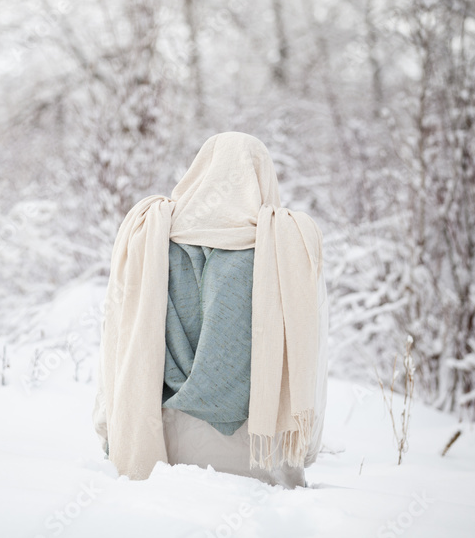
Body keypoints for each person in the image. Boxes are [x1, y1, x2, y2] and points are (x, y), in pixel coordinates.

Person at [92, 132, 328, 488]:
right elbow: (312, 352)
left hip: (166, 454)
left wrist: (108, 423)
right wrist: (304, 445)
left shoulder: (149, 237)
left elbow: (116, 335)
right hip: (262, 454)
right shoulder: (288, 245)